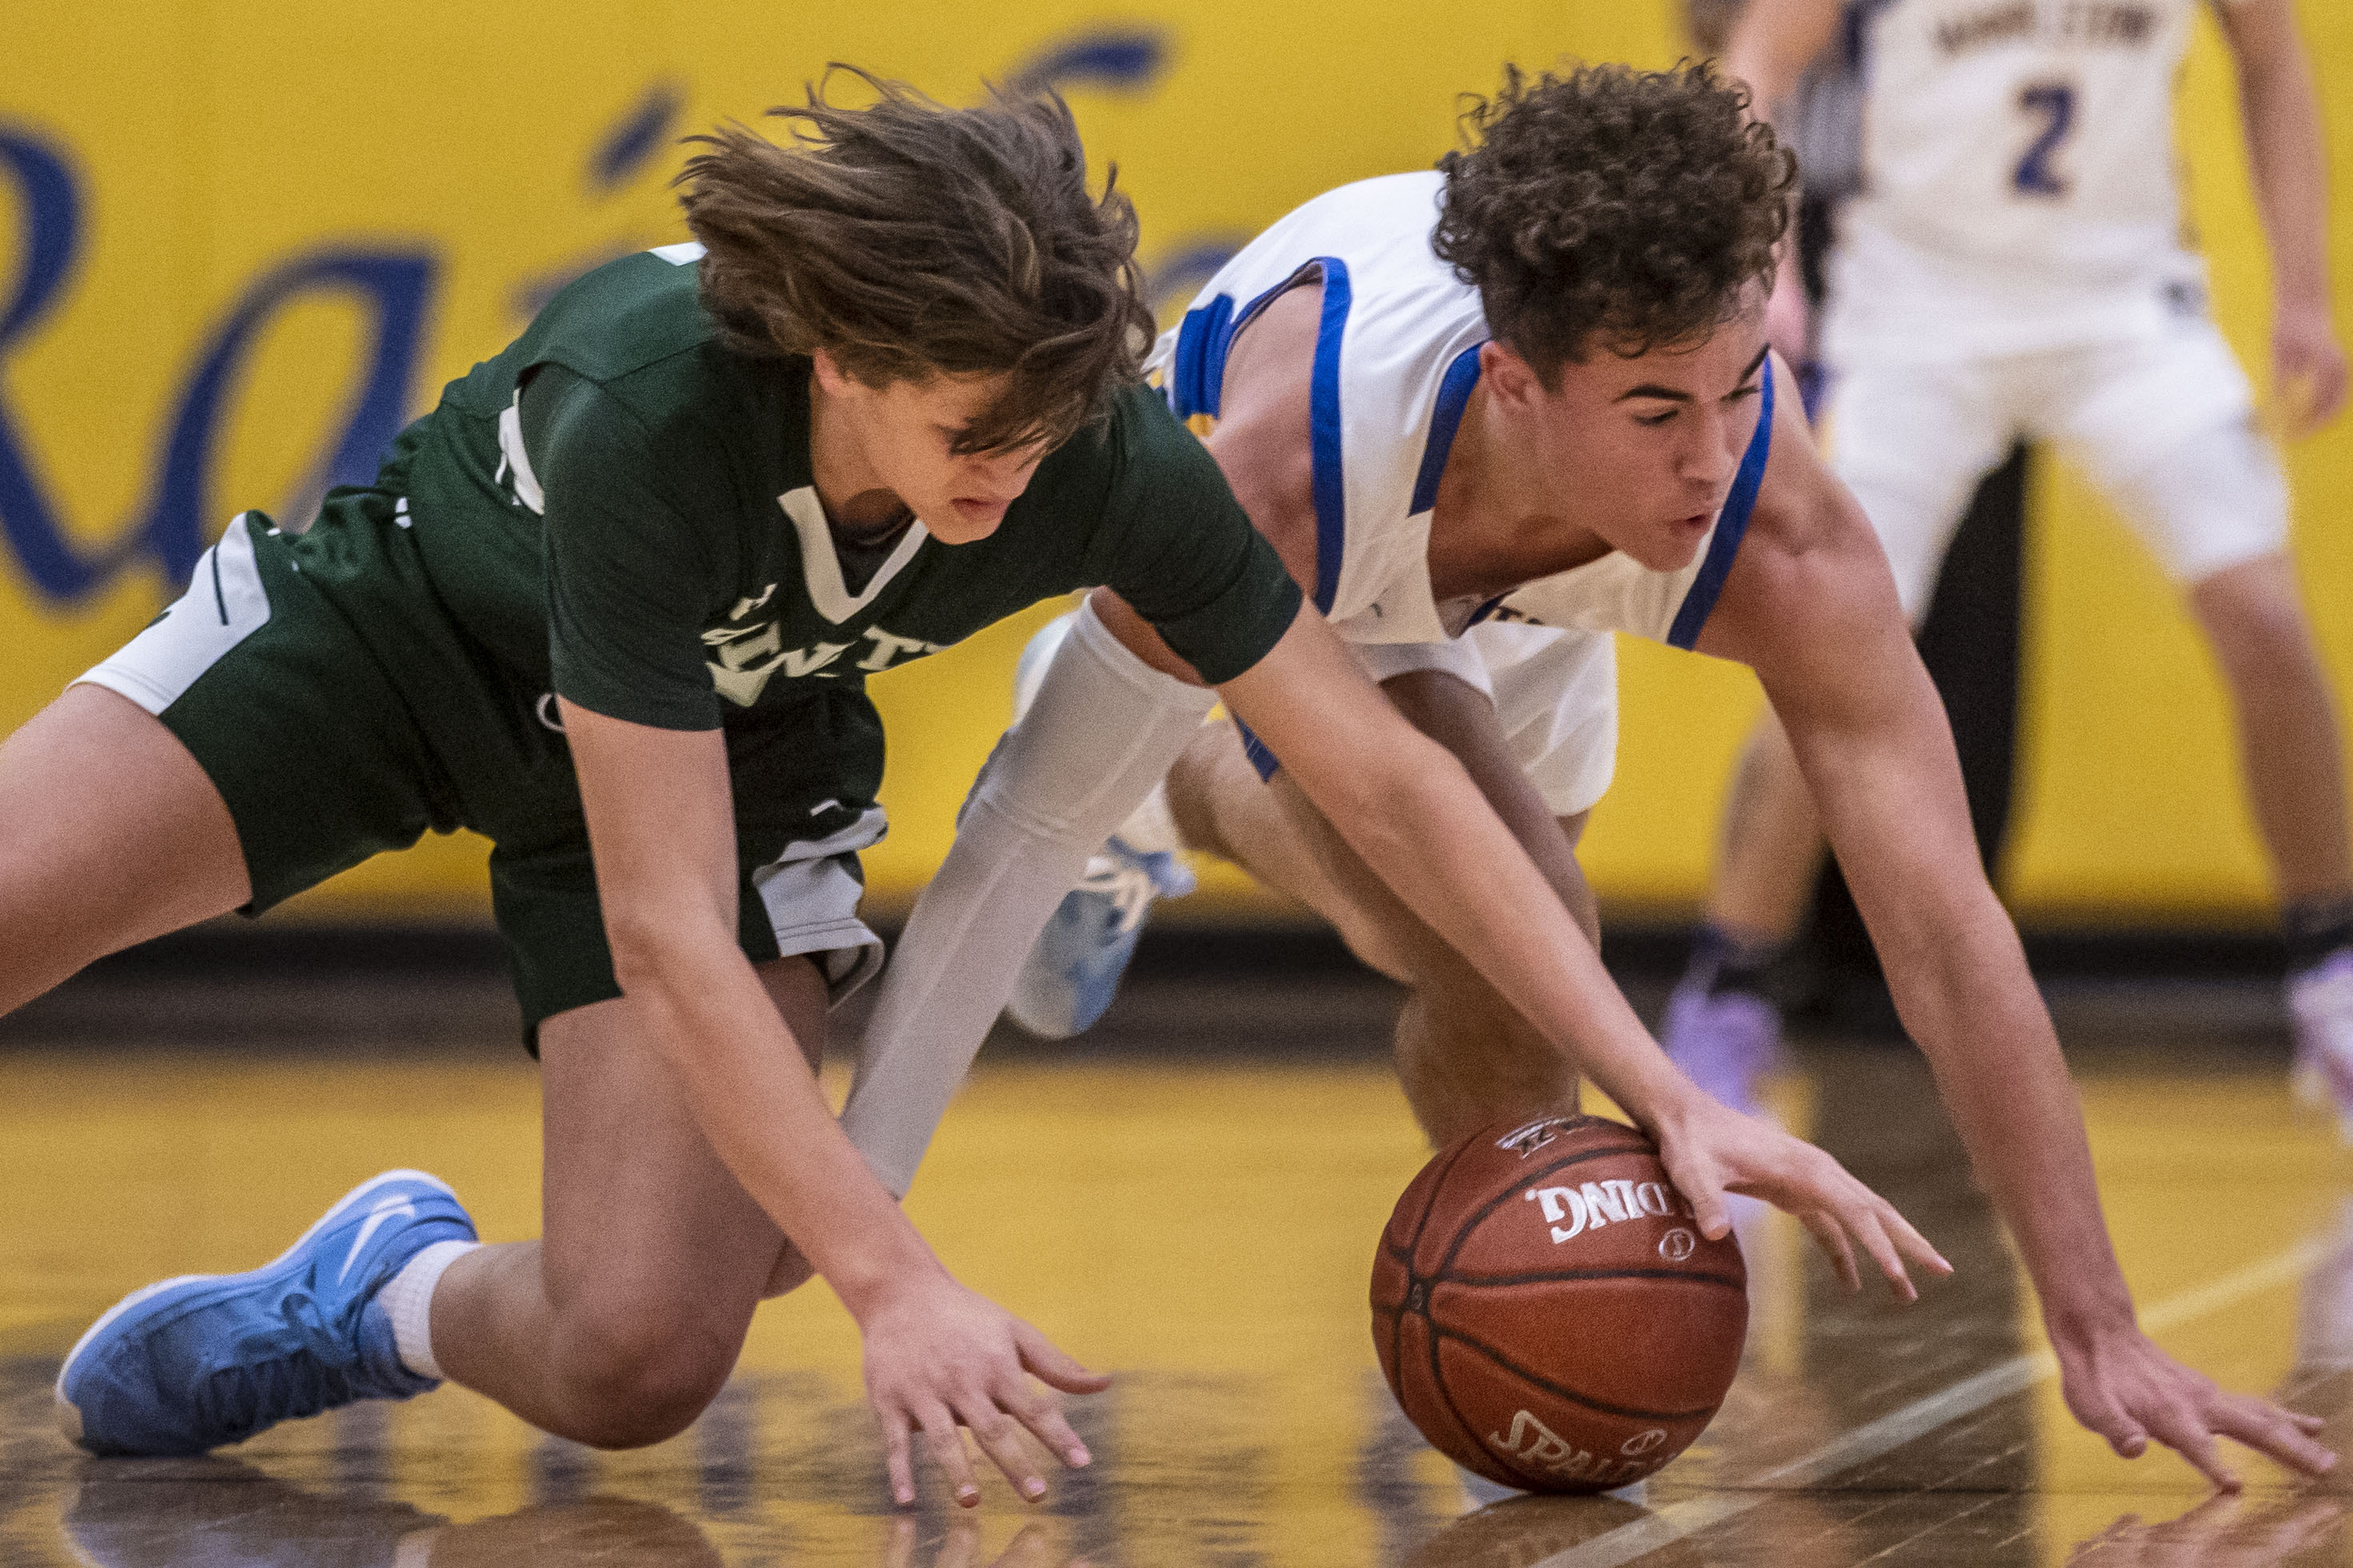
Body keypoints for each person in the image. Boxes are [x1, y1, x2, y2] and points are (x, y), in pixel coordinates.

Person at [10, 71, 1928, 1502]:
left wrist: (1661, 1090)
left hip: (735, 747)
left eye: (1044, 420)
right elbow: (667, 936)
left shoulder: (1093, 450)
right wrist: (896, 1280)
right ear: (835, 353)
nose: (1012, 472)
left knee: (639, 1359)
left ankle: (373, 1299)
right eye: (966, 431)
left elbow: (1391, 781)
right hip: (399, 644)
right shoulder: (649, 418)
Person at [841, 62, 2336, 1488]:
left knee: (1510, 974)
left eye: (1745, 387)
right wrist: (865, 1228)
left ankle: (1534, 1336)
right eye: (1658, 413)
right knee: (1502, 933)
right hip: (1328, 583)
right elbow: (1020, 820)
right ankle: (1178, 786)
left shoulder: (1775, 524)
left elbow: (1943, 930)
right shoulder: (1287, 466)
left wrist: (2098, 1326)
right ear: (1512, 383)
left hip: (1531, 592)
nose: (1715, 458)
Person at [1662, 0, 2353, 1129]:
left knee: (2262, 617)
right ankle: (1722, 999)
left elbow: (2270, 61)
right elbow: (1755, 62)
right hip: (1914, 314)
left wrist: (2304, 295)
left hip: (2123, 307)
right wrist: (1763, 262)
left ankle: (2331, 975)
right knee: (1827, 643)